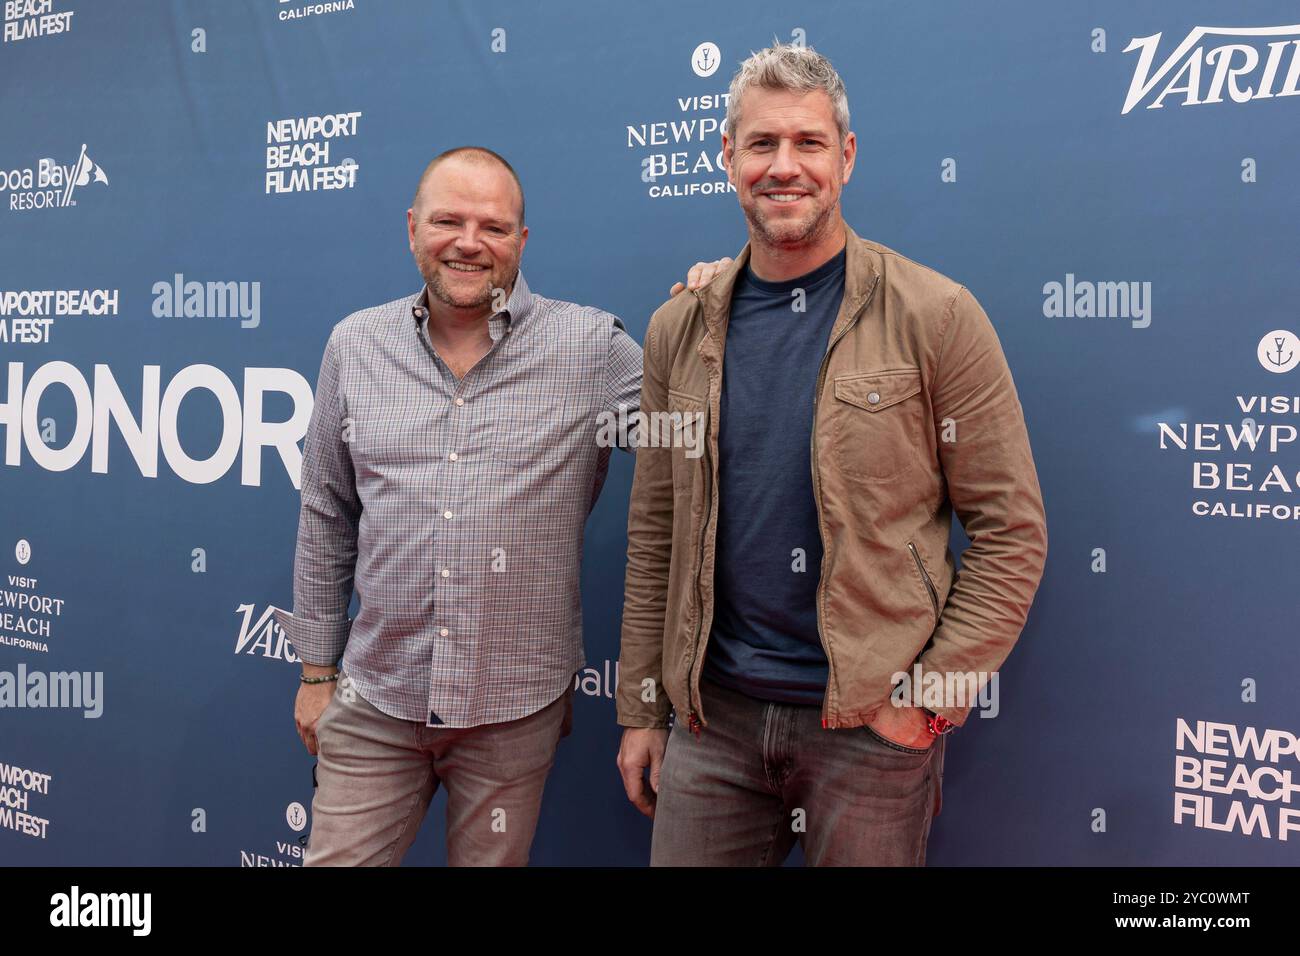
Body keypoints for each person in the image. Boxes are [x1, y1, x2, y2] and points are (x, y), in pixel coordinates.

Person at [615, 43, 1049, 866]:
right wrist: (642, 706)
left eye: (809, 144)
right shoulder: (679, 328)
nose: (785, 167)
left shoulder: (937, 315)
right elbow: (656, 532)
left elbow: (1011, 532)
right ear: (727, 158)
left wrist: (928, 704)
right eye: (762, 144)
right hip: (713, 725)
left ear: (845, 156)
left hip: (870, 734)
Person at [279, 145, 723, 866]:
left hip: (515, 711)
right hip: (374, 699)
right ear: (413, 228)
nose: (468, 242)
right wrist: (316, 673)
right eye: (448, 221)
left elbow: (696, 440)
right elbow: (327, 512)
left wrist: (709, 322)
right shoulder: (354, 345)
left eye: (492, 227)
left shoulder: (589, 348)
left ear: (521, 242)